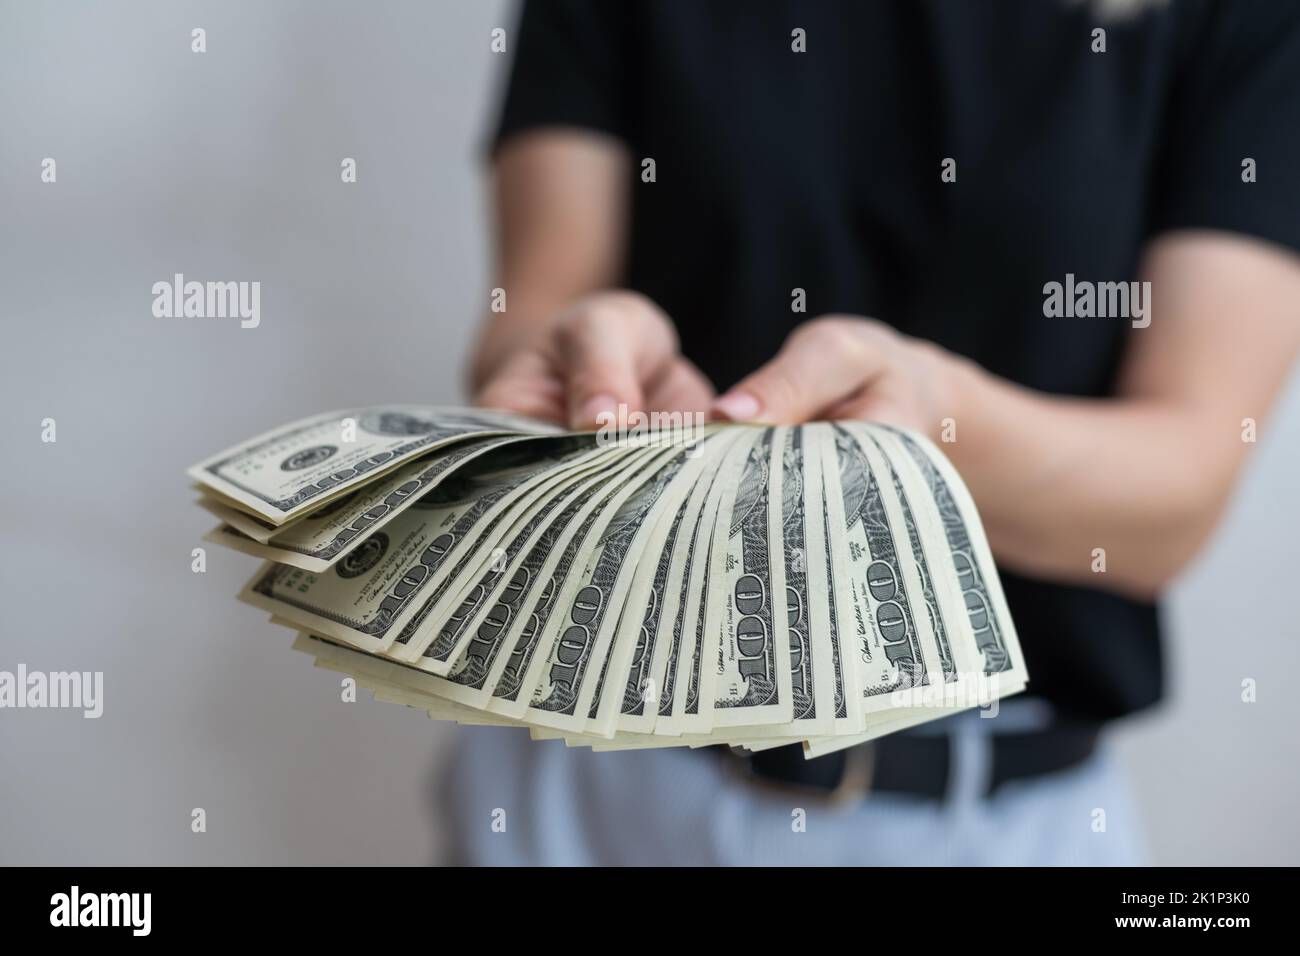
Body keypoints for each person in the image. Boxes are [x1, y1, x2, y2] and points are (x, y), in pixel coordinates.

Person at [439, 0, 1300, 865]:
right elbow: (532, 313)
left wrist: (929, 419)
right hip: (594, 785)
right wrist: (583, 360)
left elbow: (1175, 501)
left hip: (984, 824)